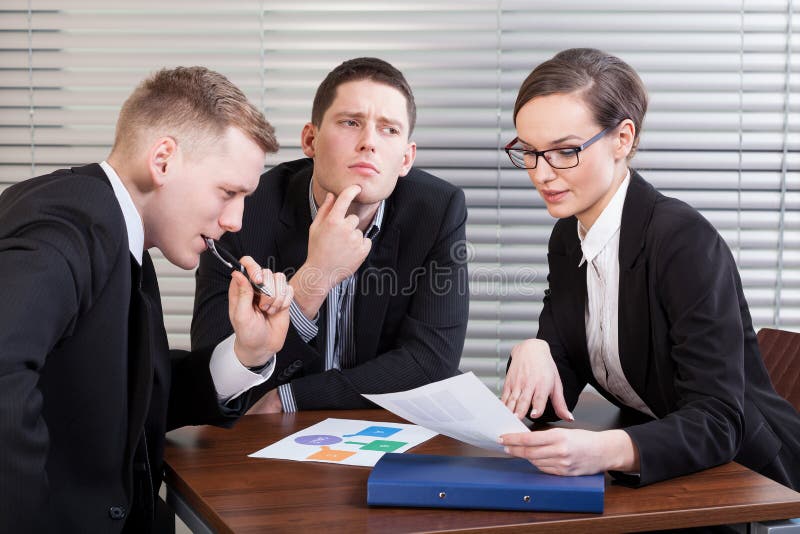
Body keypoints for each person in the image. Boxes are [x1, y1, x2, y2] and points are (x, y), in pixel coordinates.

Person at [0, 66, 294, 532]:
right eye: (228, 192)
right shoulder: (71, 224)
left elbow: (126, 393)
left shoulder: (121, 232)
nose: (236, 220)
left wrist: (248, 353)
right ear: (163, 161)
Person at [497, 48, 800, 490]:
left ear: (622, 139)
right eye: (530, 151)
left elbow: (718, 420)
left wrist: (605, 449)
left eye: (564, 151)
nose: (541, 174)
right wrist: (533, 351)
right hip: (668, 467)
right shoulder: (568, 237)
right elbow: (554, 395)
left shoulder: (682, 241)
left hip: (751, 479)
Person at [191, 57, 469, 413]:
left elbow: (430, 361)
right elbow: (216, 367)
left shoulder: (437, 210)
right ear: (311, 139)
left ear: (405, 159)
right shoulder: (245, 211)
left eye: (389, 130)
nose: (369, 142)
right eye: (351, 122)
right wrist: (315, 276)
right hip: (266, 443)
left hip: (385, 435)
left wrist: (291, 398)